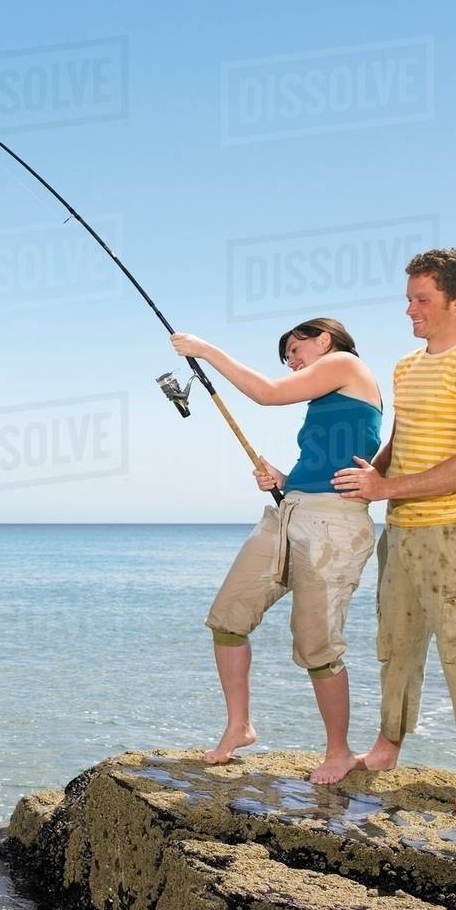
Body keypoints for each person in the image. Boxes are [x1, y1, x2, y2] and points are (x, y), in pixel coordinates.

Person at [332, 248, 456, 819]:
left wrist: (385, 490)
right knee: (396, 648)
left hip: (454, 537)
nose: (410, 310)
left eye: (421, 300)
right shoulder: (406, 366)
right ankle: (387, 748)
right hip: (401, 535)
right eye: (408, 299)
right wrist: (366, 478)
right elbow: (402, 442)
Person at [171, 320, 382, 784]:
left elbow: (266, 394)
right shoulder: (325, 400)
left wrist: (206, 350)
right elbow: (325, 461)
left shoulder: (346, 364)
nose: (291, 360)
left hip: (335, 523)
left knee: (316, 645)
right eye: (286, 356)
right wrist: (284, 480)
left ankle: (339, 751)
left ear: (324, 340)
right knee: (227, 617)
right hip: (290, 511)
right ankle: (239, 726)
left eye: (294, 348)